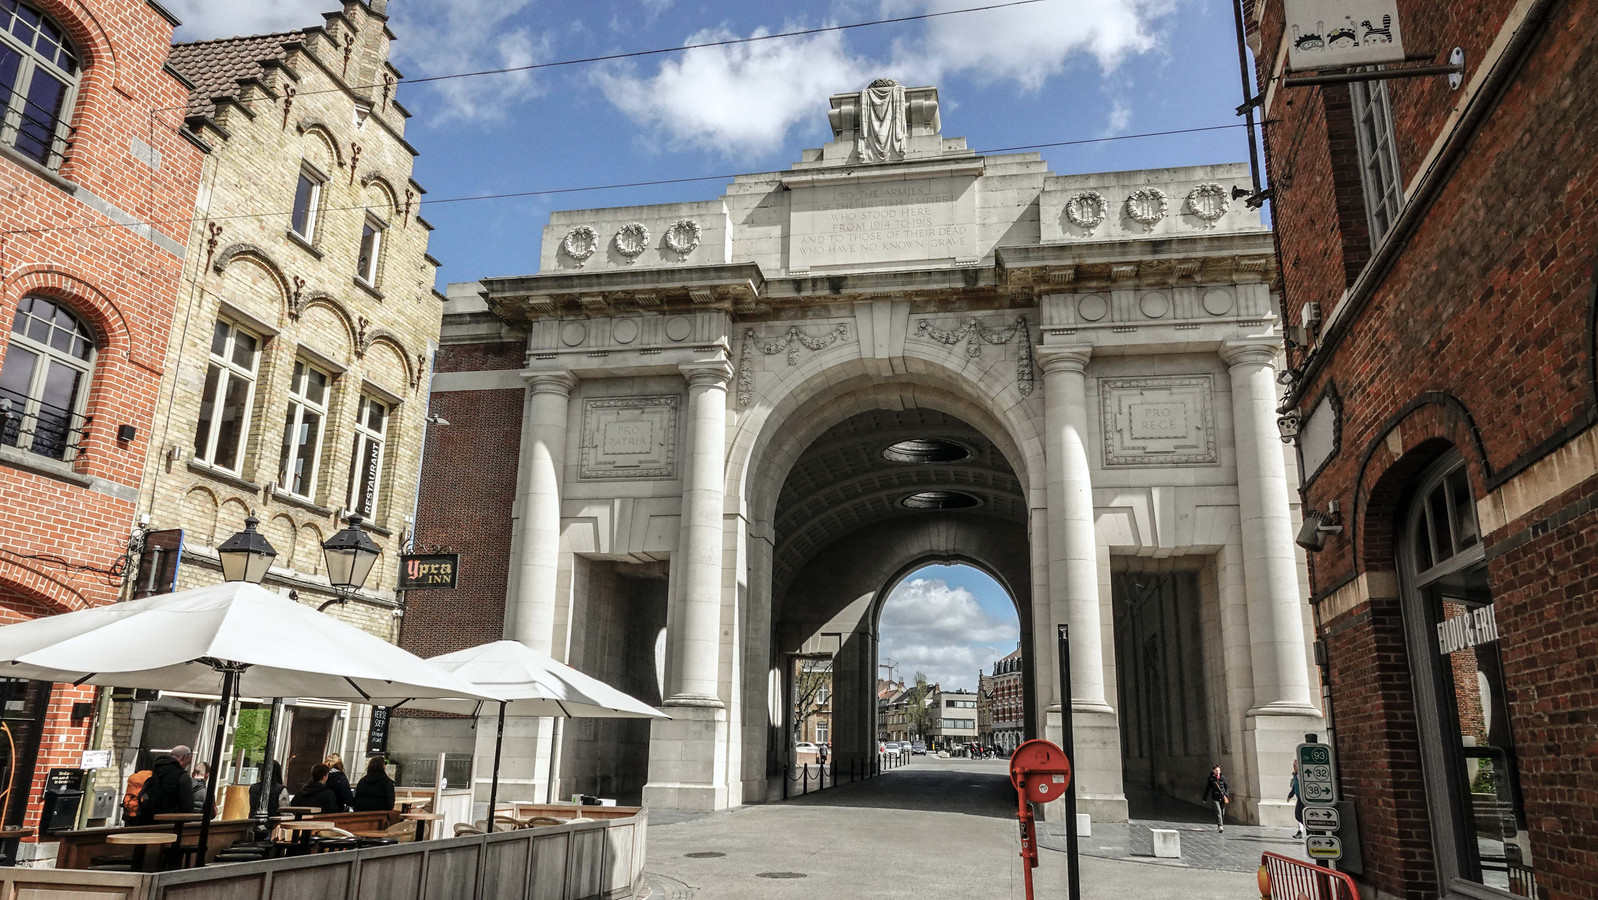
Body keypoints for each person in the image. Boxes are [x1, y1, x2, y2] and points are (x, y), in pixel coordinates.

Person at [133, 745, 196, 824]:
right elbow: (187, 806)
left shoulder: (155, 770)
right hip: (170, 823)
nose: (188, 764)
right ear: (185, 757)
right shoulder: (182, 776)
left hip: (149, 819)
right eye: (189, 761)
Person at [1204, 764, 1231, 833]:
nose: (1218, 771)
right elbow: (1208, 788)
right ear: (1213, 771)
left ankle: (1220, 823)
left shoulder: (1222, 777)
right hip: (1215, 797)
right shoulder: (1211, 779)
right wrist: (1204, 798)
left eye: (1219, 770)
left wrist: (1226, 794)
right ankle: (1220, 826)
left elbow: (1227, 786)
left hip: (1223, 797)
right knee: (1218, 812)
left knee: (1222, 812)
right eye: (1216, 770)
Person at [1288, 760, 1305, 839]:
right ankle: (1301, 831)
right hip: (1299, 798)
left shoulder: (1302, 775)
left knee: (1300, 815)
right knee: (1298, 815)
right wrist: (1290, 796)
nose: (1294, 767)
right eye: (1294, 765)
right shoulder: (1295, 775)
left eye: (1295, 765)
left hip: (1304, 798)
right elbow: (1294, 787)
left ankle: (1303, 830)